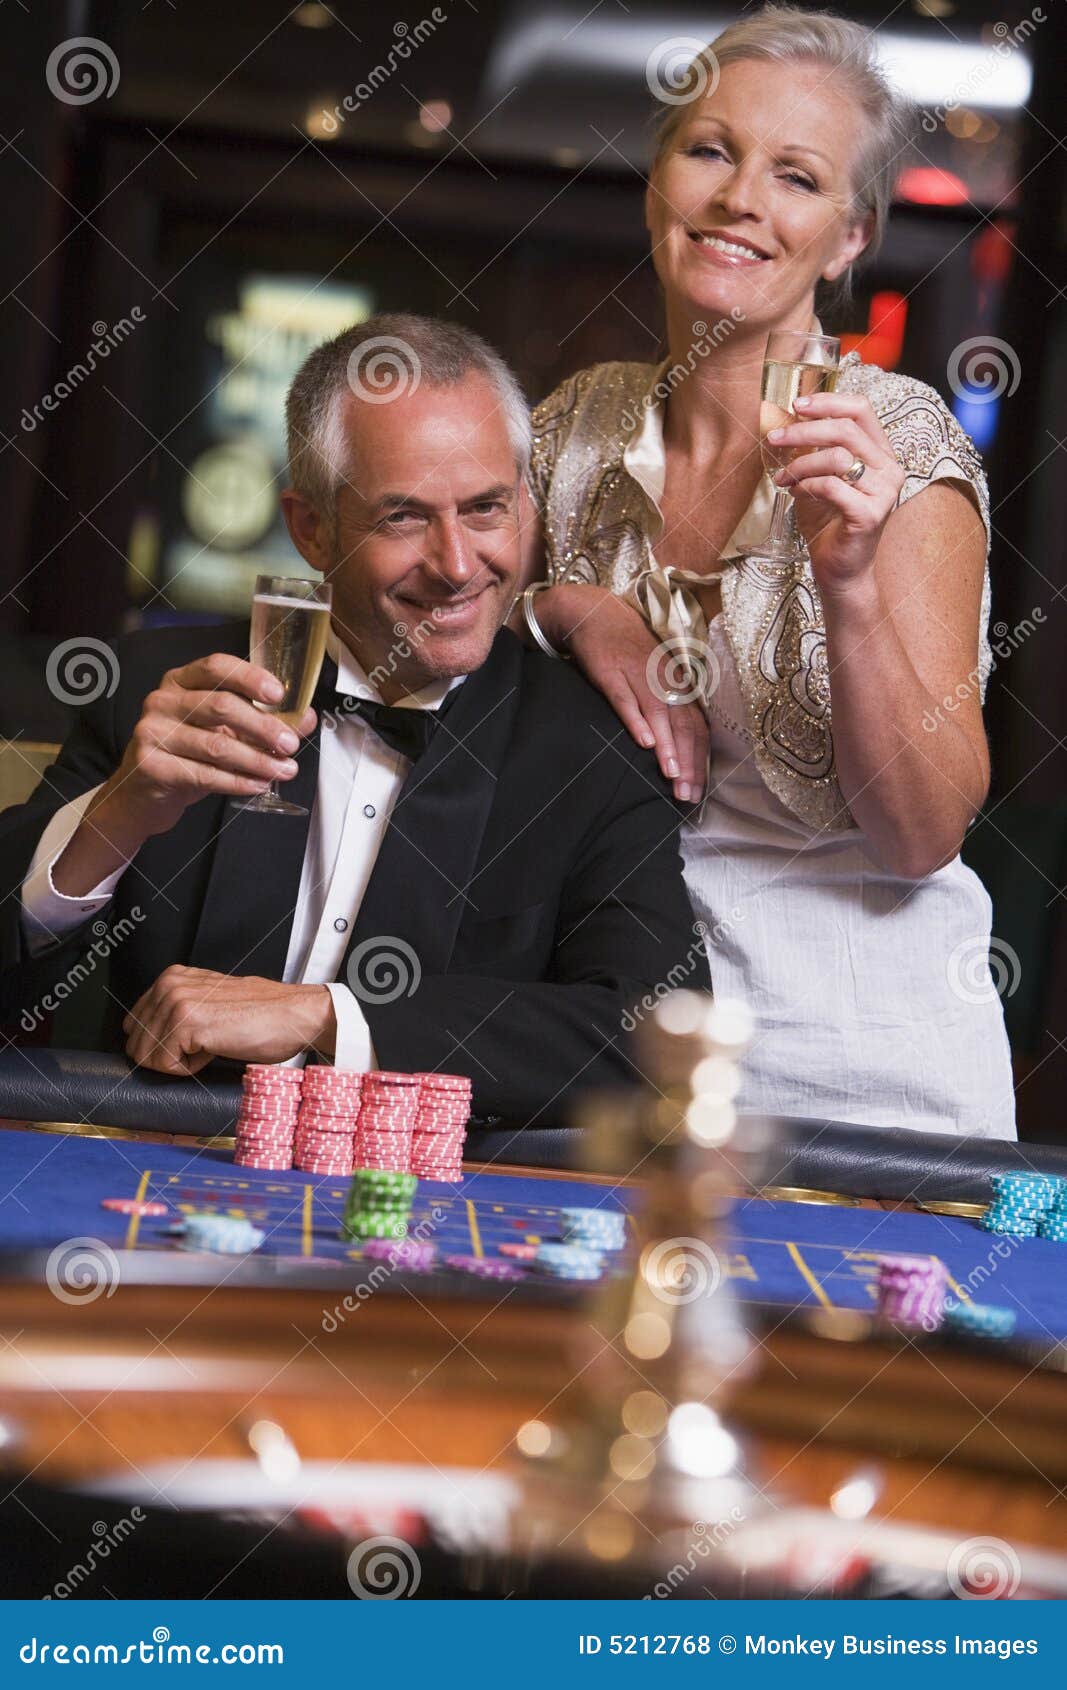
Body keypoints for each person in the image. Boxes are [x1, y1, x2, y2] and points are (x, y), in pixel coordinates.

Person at [0, 313, 706, 1123]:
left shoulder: (587, 745)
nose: (456, 565)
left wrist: (327, 1015)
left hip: (428, 1208)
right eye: (402, 517)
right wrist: (118, 815)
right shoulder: (159, 691)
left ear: (527, 507)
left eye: (484, 509)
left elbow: (654, 1040)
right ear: (310, 527)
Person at [519, 6, 1015, 1137]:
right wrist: (566, 606)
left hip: (866, 1080)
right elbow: (437, 661)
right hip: (610, 1056)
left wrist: (846, 586)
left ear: (847, 238)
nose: (740, 199)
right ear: (656, 182)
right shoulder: (571, 428)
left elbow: (920, 835)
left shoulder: (899, 444)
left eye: (795, 176)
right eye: (708, 151)